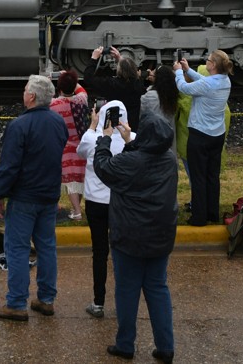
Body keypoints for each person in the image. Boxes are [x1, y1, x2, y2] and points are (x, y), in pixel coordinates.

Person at [93, 97, 178, 363]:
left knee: (127, 291)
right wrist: (130, 140)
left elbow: (103, 166)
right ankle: (166, 347)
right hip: (161, 236)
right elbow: (142, 158)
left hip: (129, 237)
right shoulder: (169, 160)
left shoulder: (129, 163)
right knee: (158, 288)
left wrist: (105, 138)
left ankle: (125, 344)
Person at [0, 74, 67, 322]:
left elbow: (9, 165)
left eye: (25, 90)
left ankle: (16, 303)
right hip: (49, 195)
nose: (23, 93)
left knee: (17, 249)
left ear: (31, 96)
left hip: (24, 197)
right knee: (47, 247)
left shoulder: (19, 125)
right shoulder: (58, 122)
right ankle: (46, 299)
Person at [76, 100, 131, 320]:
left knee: (99, 252)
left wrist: (92, 125)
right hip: (122, 202)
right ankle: (124, 303)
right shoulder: (132, 140)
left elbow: (81, 152)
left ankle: (98, 302)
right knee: (122, 252)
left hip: (96, 202)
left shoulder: (92, 139)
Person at [175, 49, 232, 227]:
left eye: (208, 59)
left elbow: (184, 87)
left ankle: (199, 217)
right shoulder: (225, 80)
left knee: (198, 177)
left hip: (200, 135)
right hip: (217, 135)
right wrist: (188, 70)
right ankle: (212, 213)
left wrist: (178, 72)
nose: (206, 61)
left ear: (212, 65)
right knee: (212, 176)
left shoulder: (208, 84)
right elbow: (203, 82)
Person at [49, 70, 89, 220]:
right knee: (78, 177)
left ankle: (77, 211)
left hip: (65, 146)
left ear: (59, 87)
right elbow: (81, 90)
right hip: (80, 144)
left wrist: (49, 81)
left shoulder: (53, 104)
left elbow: (45, 97)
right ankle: (75, 209)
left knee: (70, 179)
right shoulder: (81, 100)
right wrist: (70, 77)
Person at [84, 46, 146, 130]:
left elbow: (89, 79)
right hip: (132, 124)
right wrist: (120, 59)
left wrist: (94, 58)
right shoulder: (139, 85)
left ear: (119, 70)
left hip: (114, 124)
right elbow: (131, 71)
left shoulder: (112, 84)